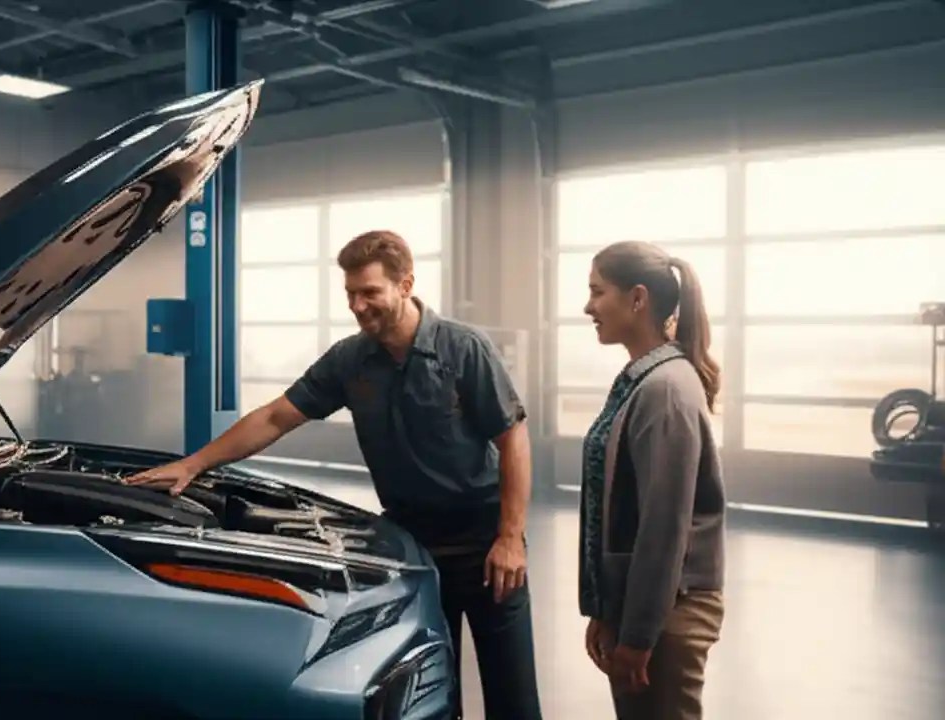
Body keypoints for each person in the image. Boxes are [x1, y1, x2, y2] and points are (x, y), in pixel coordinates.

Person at [125, 230, 543, 720]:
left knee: (513, 699)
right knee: (429, 696)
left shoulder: (463, 349)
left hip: (486, 544)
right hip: (412, 547)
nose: (358, 306)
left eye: (370, 293)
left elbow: (512, 438)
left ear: (405, 284)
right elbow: (276, 417)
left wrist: (510, 537)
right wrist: (194, 463)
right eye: (350, 294)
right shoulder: (350, 360)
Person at [577, 240, 727, 720]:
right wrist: (606, 611)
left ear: (637, 299)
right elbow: (622, 509)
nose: (588, 307)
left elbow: (664, 530)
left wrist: (638, 634)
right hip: (645, 610)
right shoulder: (646, 379)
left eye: (598, 292)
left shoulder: (664, 389)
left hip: (668, 615)